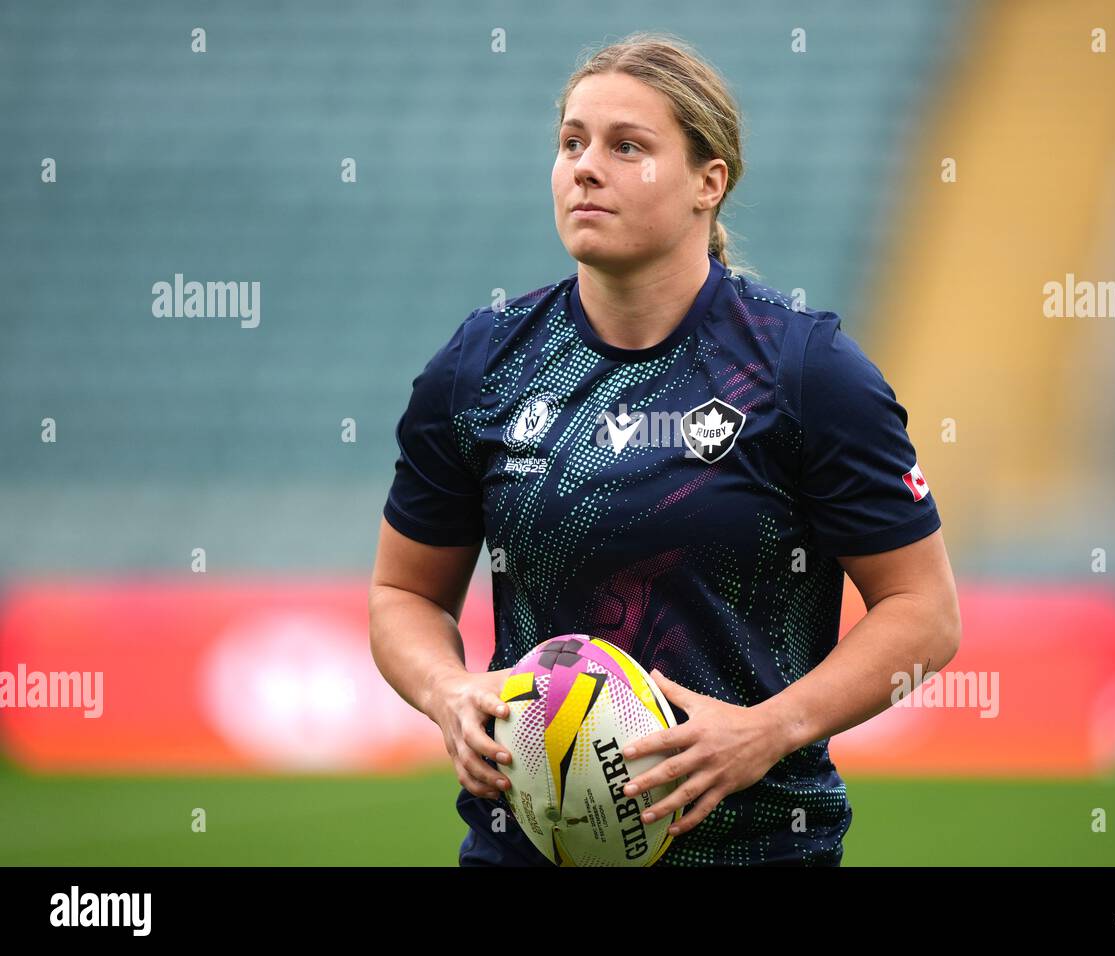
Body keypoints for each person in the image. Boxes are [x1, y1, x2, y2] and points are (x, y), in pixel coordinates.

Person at [369, 32, 961, 866]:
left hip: (756, 850)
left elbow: (925, 614)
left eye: (627, 146)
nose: (585, 166)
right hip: (521, 849)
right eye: (571, 142)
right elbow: (404, 592)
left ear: (707, 183)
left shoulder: (804, 372)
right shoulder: (481, 367)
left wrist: (768, 729)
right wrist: (447, 692)